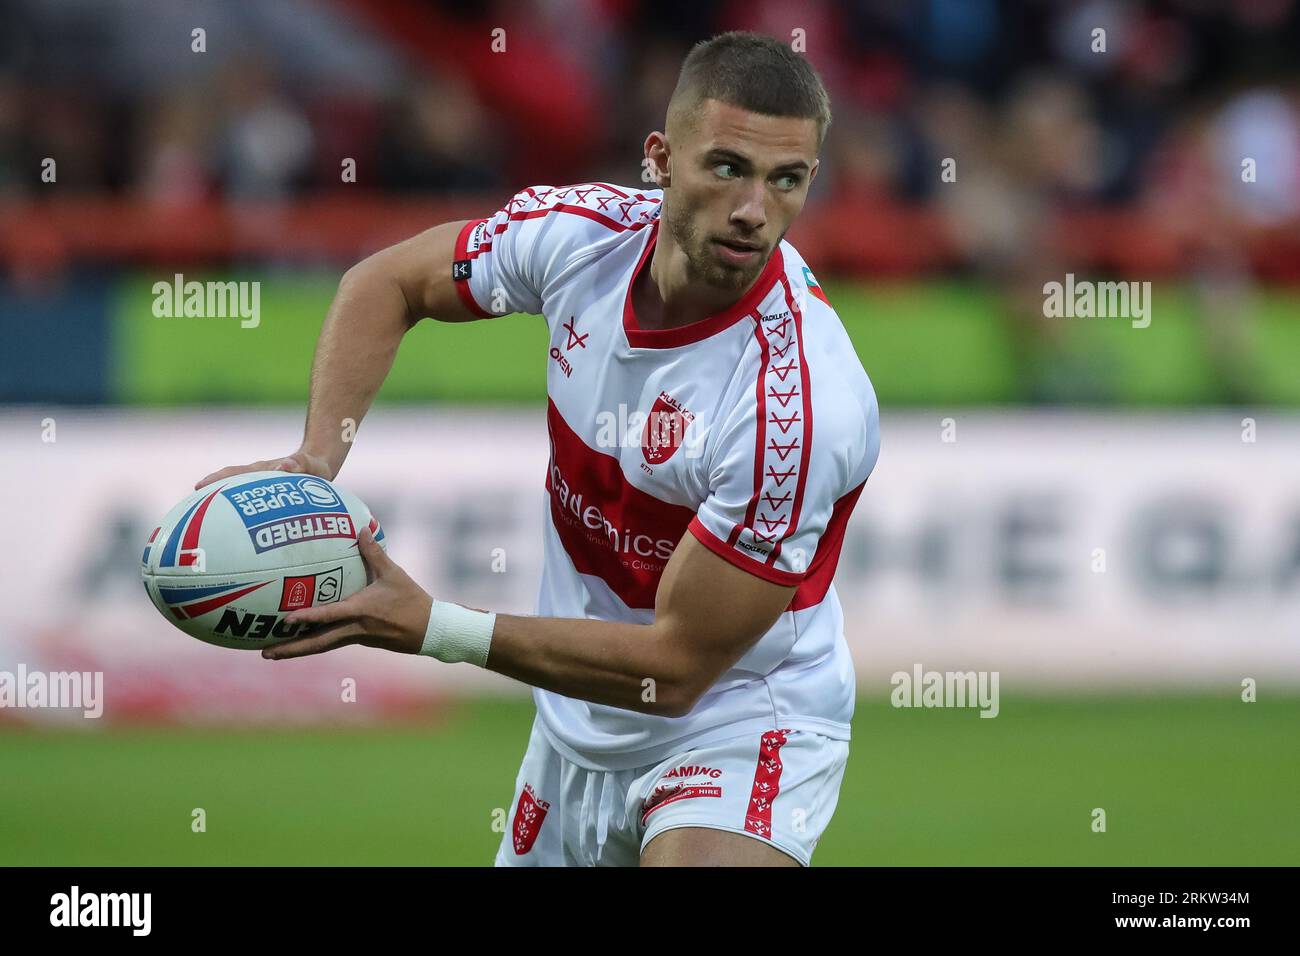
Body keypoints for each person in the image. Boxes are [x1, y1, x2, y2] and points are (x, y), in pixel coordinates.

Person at [197, 31, 880, 867]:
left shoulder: (799, 407)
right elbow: (388, 282)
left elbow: (675, 668)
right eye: (728, 167)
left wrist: (435, 629)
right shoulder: (577, 236)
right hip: (573, 724)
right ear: (660, 159)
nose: (753, 210)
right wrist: (316, 458)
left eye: (788, 180)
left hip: (738, 716)